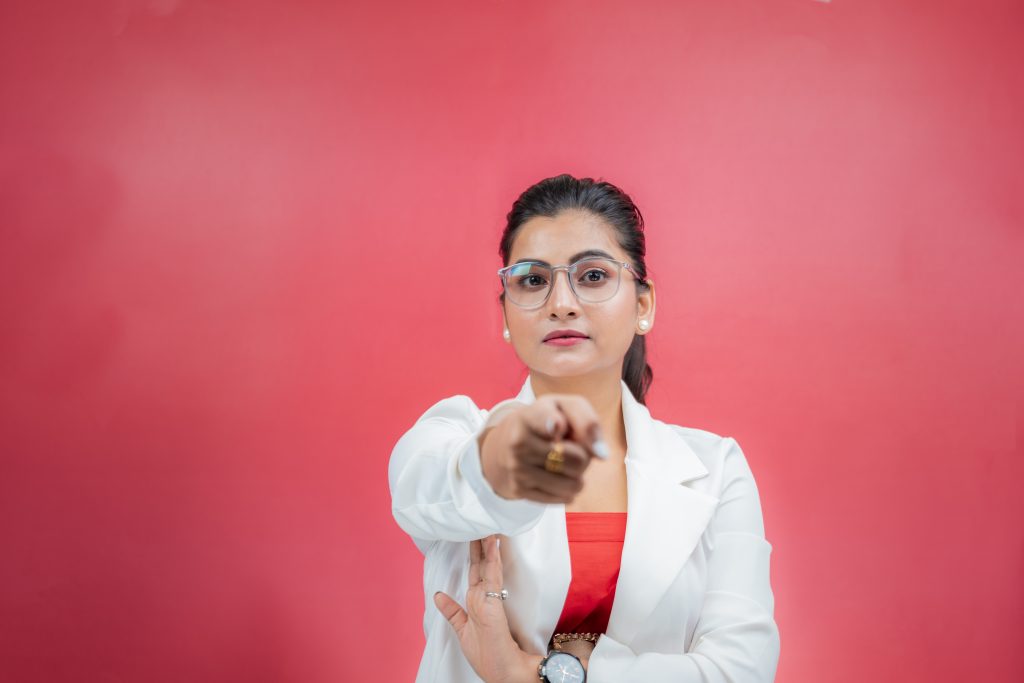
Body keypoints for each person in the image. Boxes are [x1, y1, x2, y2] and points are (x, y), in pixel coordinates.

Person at [388, 174, 780, 682]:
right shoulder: (455, 434)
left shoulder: (716, 469)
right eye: (533, 280)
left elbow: (740, 671)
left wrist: (536, 676)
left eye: (593, 275)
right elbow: (427, 482)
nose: (561, 303)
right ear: (505, 312)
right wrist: (503, 459)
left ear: (643, 305)